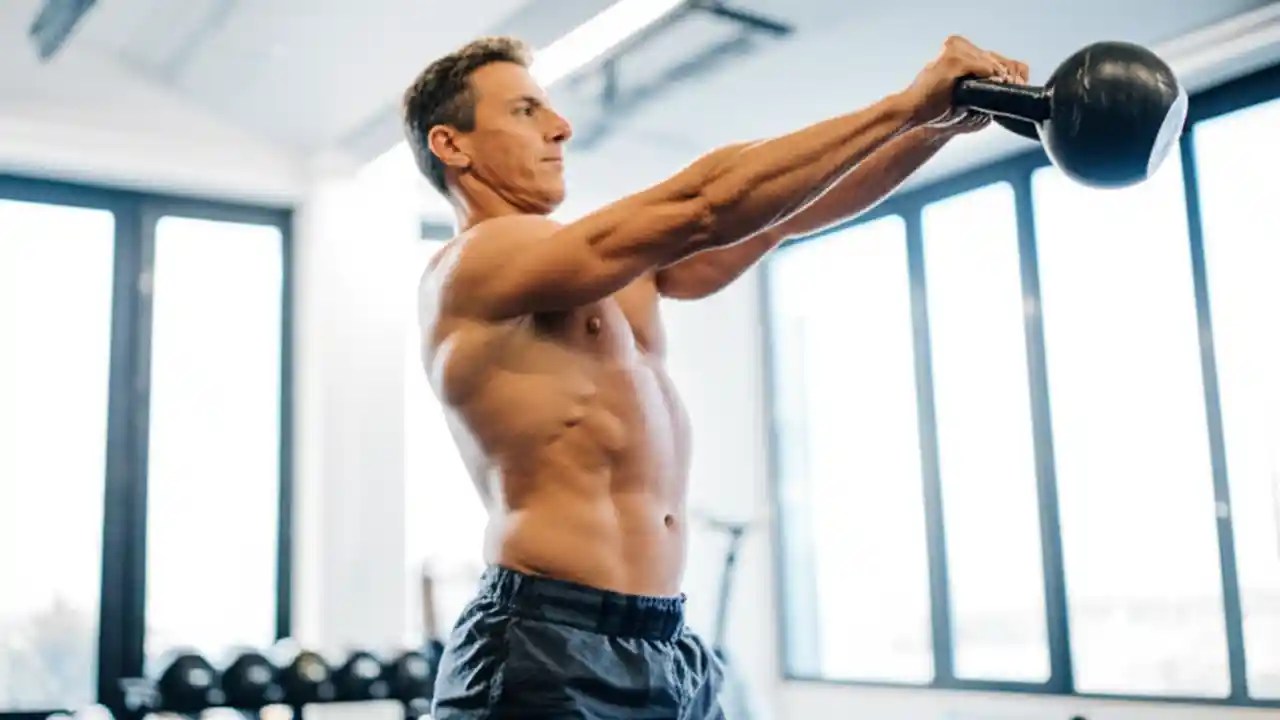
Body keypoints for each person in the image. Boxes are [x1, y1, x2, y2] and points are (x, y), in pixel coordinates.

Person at [403, 33, 1028, 719]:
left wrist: (936, 127)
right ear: (451, 145)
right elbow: (705, 204)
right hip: (546, 644)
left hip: (666, 641)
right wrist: (906, 106)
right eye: (526, 111)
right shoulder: (475, 265)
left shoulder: (605, 268)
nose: (561, 126)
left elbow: (776, 217)